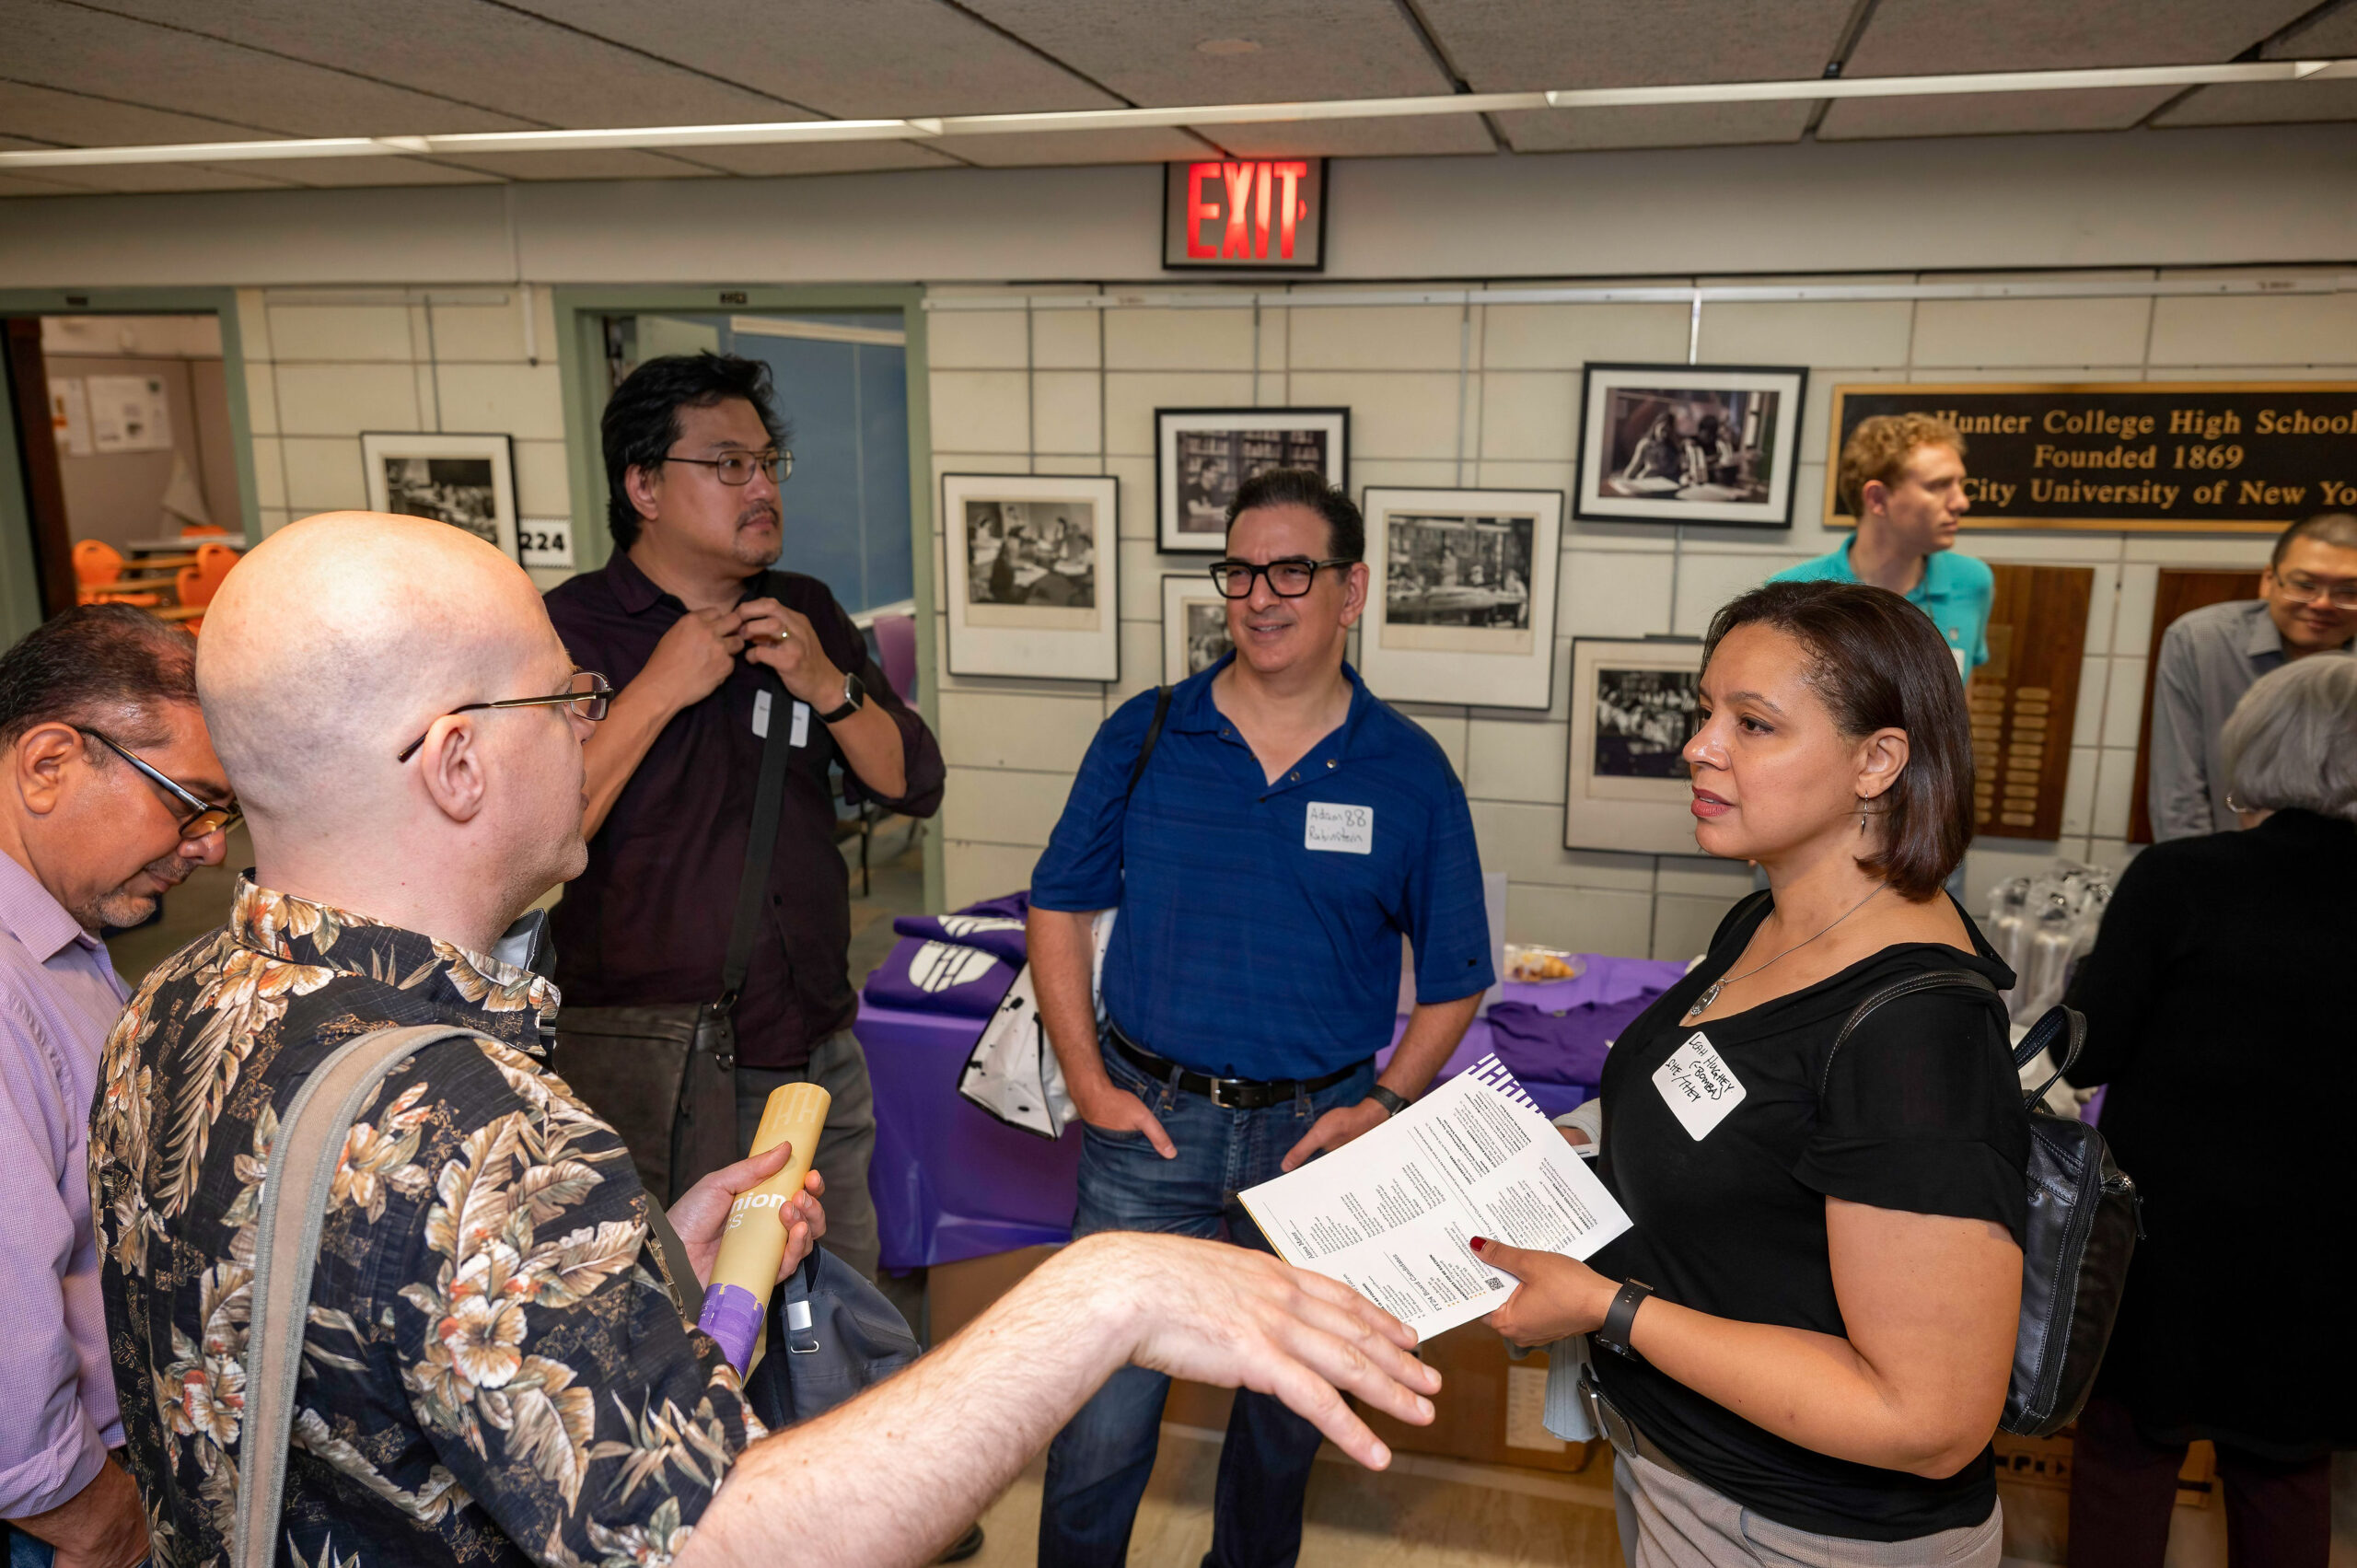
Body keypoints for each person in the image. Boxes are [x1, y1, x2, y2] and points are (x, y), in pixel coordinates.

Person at [89, 512, 1442, 1568]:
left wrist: (646, 1268)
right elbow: (728, 1536)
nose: (586, 730)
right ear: (457, 761)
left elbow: (358, 1339)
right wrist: (1103, 1293)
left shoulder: (171, 1004)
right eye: (567, 702)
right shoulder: (479, 1128)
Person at [1477, 580, 2028, 1567]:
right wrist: (1578, 1147)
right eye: (1705, 711)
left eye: (1754, 722)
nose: (1699, 745)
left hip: (1805, 1533)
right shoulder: (1767, 918)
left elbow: (1929, 1418)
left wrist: (1607, 1306)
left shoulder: (1916, 1032)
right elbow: (1733, 1119)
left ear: (1877, 760)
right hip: (1681, 1470)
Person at [1026, 467, 1495, 1568]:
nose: (1259, 596)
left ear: (1351, 590)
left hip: (1315, 1143)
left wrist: (1383, 1103)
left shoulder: (1409, 771)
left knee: (1285, 1429)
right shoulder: (1147, 733)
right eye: (1239, 571)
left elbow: (1457, 974)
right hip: (1149, 1130)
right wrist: (1088, 1081)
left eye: (1290, 570)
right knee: (1098, 1428)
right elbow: (1057, 904)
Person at [544, 352, 945, 1273]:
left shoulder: (802, 609)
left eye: (768, 463)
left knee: (840, 1307)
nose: (762, 487)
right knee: (674, 1315)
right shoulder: (567, 631)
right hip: (654, 1064)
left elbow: (911, 783)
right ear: (644, 486)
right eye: (729, 464)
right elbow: (539, 838)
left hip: (815, 1045)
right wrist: (659, 688)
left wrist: (826, 682)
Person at [2060, 655, 2357, 1568]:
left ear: (2255, 745)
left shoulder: (2179, 877)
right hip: (2324, 1242)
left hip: (2166, 1233)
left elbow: (2087, 1049)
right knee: (2285, 1467)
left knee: (2124, 1449)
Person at [0, 607, 232, 1568]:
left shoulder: (60, 944)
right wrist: (90, 1511)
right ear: (48, 763)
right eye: (189, 802)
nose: (208, 847)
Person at [2144, 510, 2357, 841]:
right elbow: (2178, 786)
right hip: (2222, 860)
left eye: (2349, 592)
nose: (2322, 604)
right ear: (2268, 581)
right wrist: (2193, 866)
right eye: (2304, 585)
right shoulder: (2202, 640)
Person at [1773, 413, 1992, 680]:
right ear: (1877, 499)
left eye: (1960, 484)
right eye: (1938, 486)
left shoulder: (1971, 582)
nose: (1961, 502)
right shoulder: (1794, 592)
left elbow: (1960, 697)